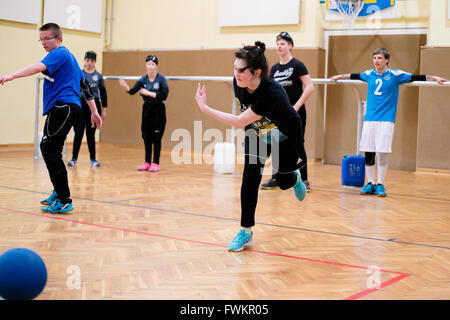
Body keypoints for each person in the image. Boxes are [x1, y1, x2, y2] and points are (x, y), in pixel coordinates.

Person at [195, 41, 307, 252]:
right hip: (257, 131)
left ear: (256, 72)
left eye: (241, 70)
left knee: (283, 181)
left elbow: (239, 120)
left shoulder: (271, 93)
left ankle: (294, 177)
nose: (236, 74)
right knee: (250, 178)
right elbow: (246, 119)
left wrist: (205, 108)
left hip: (285, 133)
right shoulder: (240, 82)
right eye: (235, 68)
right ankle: (246, 231)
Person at [0, 23, 102, 213]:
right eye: (41, 39)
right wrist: (94, 112)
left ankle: (64, 199)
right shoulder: (69, 58)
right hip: (68, 108)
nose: (44, 42)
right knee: (50, 148)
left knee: (49, 148)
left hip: (63, 107)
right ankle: (58, 192)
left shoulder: (59, 54)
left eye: (48, 38)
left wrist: (12, 75)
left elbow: (38, 67)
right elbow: (85, 86)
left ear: (59, 39)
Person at [330, 47, 448, 197]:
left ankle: (380, 184)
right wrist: (338, 76)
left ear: (386, 60)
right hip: (370, 119)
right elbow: (353, 75)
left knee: (382, 151)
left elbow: (416, 77)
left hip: (386, 119)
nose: (376, 61)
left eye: (379, 58)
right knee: (368, 151)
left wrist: (435, 77)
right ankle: (370, 183)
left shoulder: (394, 75)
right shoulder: (369, 74)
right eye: (374, 58)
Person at [260, 32, 314, 192]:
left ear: (290, 46)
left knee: (298, 144)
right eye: (277, 43)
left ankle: (304, 179)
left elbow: (310, 87)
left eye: (283, 43)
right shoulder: (275, 69)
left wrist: (296, 106)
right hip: (278, 114)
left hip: (296, 113)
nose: (279, 46)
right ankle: (277, 178)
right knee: (276, 143)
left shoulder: (298, 65)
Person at [118, 55, 169, 171]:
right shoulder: (143, 80)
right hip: (147, 110)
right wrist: (126, 87)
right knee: (146, 136)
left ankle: (155, 163)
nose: (150, 66)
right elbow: (132, 91)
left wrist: (147, 93)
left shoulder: (161, 79)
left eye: (153, 64)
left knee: (156, 137)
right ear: (146, 65)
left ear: (156, 66)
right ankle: (147, 162)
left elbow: (163, 95)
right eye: (148, 64)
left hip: (158, 110)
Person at [67, 51, 108, 167]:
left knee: (91, 134)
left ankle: (93, 159)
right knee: (78, 133)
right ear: (84, 60)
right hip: (80, 106)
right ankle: (74, 158)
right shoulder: (79, 73)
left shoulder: (98, 76)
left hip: (94, 106)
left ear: (94, 62)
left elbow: (103, 93)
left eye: (91, 61)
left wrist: (104, 109)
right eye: (87, 60)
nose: (89, 63)